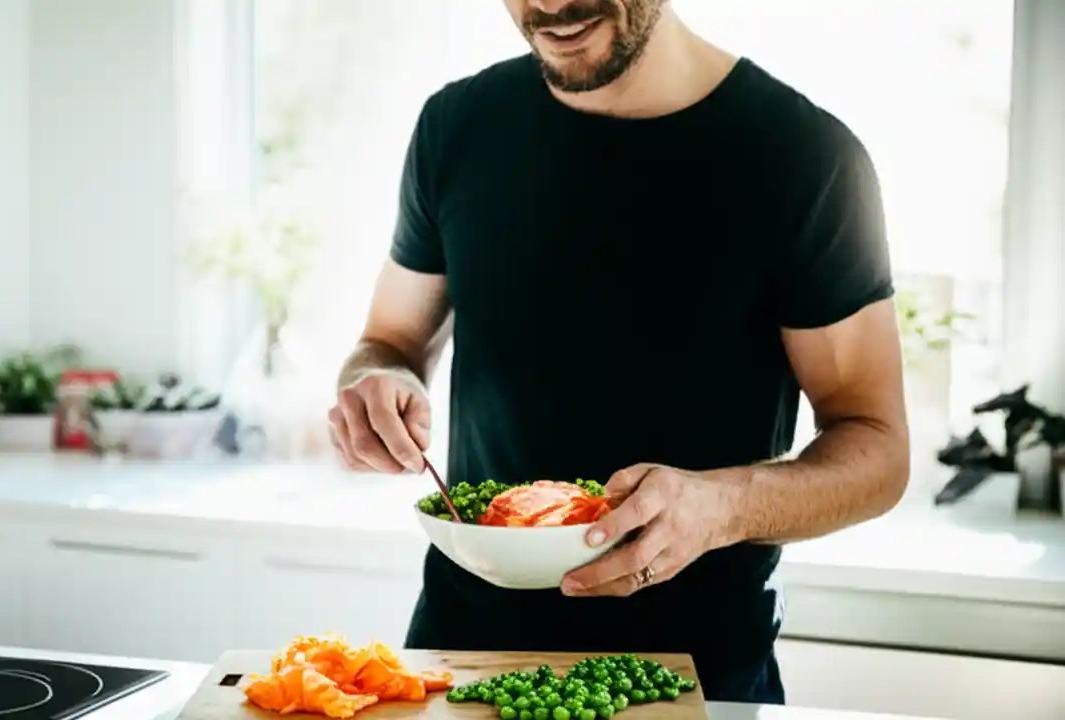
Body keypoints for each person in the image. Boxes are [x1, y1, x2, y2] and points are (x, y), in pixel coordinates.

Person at [327, 0, 909, 705]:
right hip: (461, 661)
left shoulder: (805, 157)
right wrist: (377, 381)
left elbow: (877, 448)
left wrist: (721, 507)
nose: (547, 6)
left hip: (688, 676)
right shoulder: (455, 127)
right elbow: (388, 341)